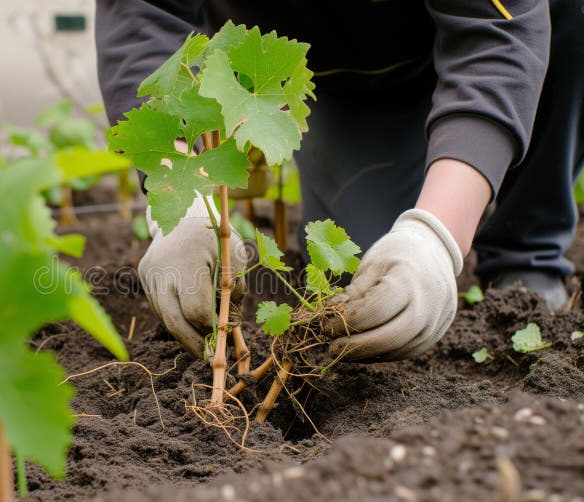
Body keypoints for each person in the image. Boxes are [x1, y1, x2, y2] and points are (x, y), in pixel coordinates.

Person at [94, 0, 584, 362]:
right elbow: (142, 18)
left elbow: (498, 37)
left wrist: (436, 238)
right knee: (373, 297)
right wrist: (179, 197)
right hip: (330, 76)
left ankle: (527, 255)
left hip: (485, 38)